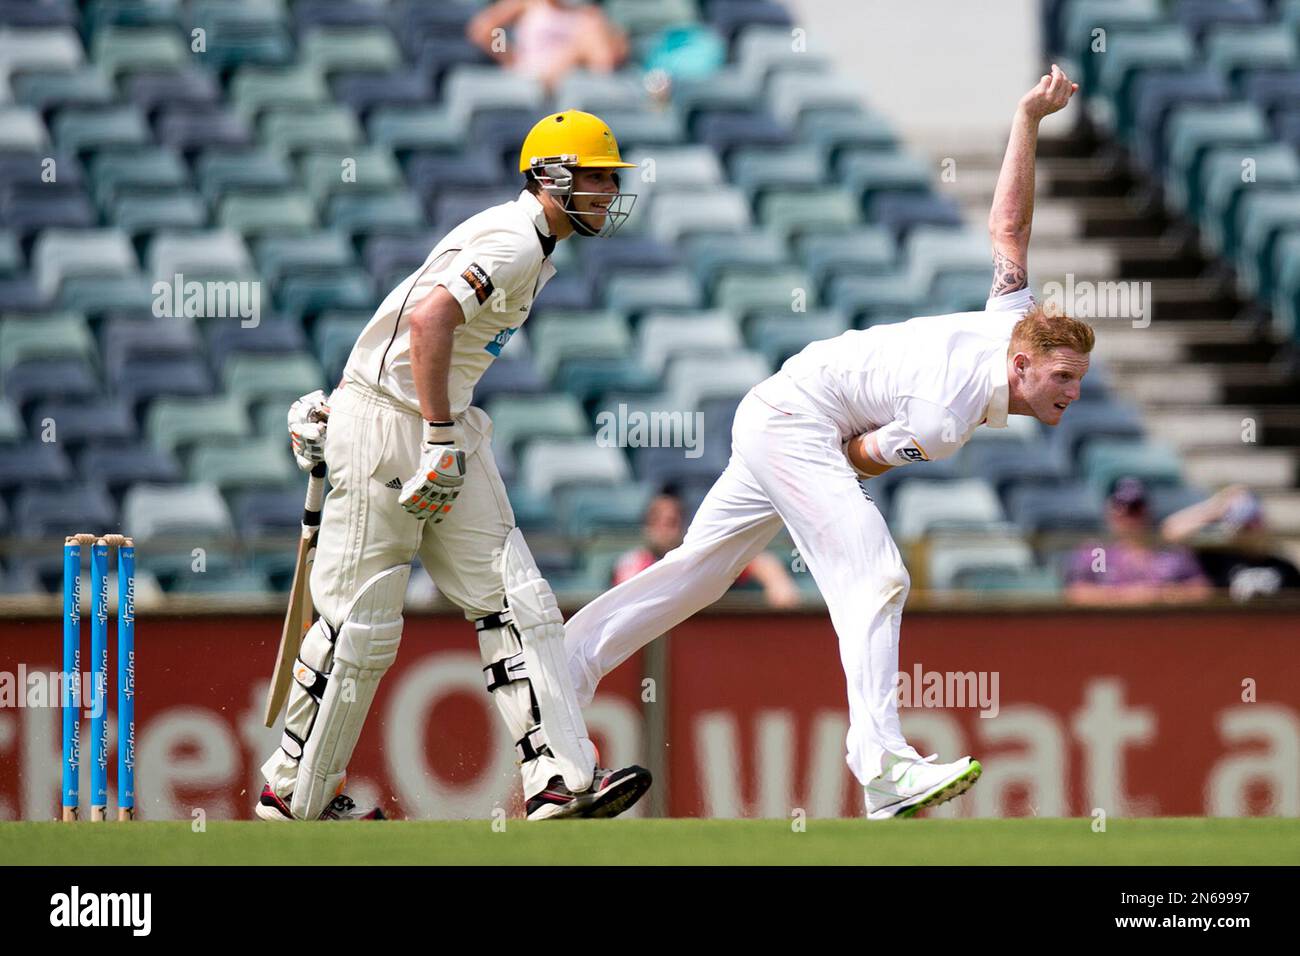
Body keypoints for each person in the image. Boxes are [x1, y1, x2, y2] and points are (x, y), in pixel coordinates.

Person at [563, 66, 1089, 819]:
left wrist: (1028, 119)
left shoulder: (1016, 321)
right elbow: (853, 458)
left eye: (1078, 381)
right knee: (875, 575)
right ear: (1022, 365)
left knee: (700, 574)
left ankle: (563, 666)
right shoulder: (946, 417)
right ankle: (880, 767)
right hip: (796, 425)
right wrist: (813, 497)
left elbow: (1009, 229)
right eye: (1063, 377)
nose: (1072, 392)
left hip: (782, 412)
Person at [264, 110, 648, 822]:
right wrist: (430, 433)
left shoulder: (532, 247)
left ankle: (559, 780)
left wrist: (439, 431)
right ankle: (293, 794)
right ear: (550, 177)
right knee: (361, 627)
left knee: (517, 598)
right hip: (391, 425)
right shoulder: (511, 239)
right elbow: (428, 319)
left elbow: (420, 318)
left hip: (433, 423)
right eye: (595, 177)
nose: (605, 192)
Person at [614, 490, 801, 608]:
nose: (665, 529)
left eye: (672, 522)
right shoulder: (634, 562)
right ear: (647, 526)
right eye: (658, 521)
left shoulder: (698, 555)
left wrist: (778, 584)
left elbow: (758, 561)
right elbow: (627, 604)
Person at [1063, 476, 1211, 605]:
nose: (1128, 514)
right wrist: (1125, 596)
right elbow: (1078, 593)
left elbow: (1201, 591)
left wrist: (1161, 595)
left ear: (1147, 509)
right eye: (1120, 506)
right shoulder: (1099, 553)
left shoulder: (1169, 551)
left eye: (1135, 507)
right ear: (1108, 510)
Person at [1161, 484, 1300, 601]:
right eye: (1244, 526)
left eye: (1255, 522)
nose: (1251, 530)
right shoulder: (1219, 562)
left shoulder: (1285, 567)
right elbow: (1170, 530)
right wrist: (1217, 506)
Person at [467, 0, 630, 96]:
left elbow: (608, 57)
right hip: (532, 77)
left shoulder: (589, 13)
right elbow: (485, 28)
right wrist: (509, 58)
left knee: (594, 33)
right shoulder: (529, 3)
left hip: (574, 80)